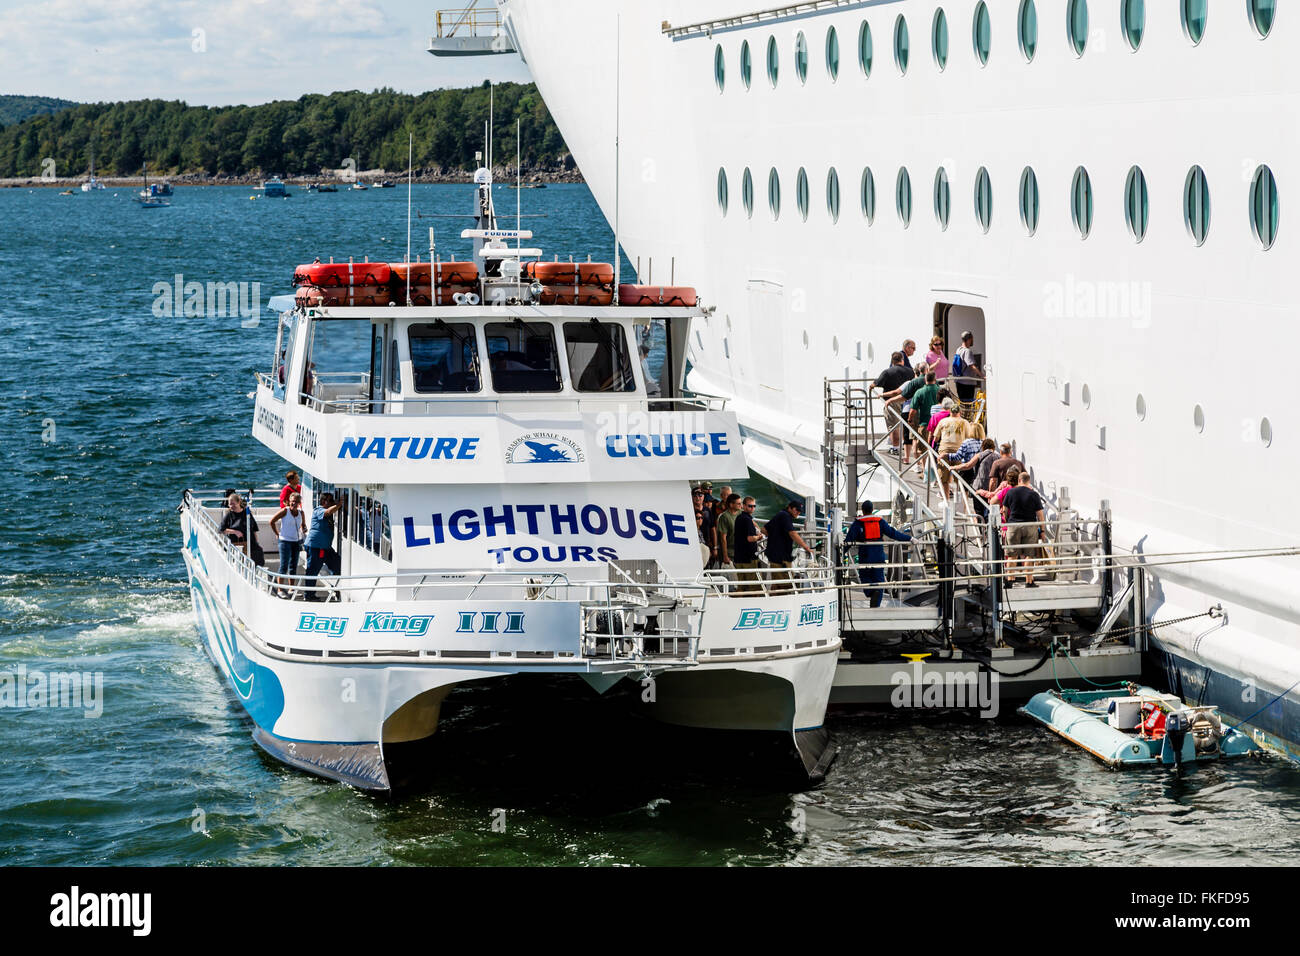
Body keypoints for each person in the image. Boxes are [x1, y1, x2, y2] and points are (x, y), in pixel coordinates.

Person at [844, 501, 913, 608]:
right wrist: (910, 538)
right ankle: (875, 605)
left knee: (865, 578)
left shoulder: (858, 523)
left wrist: (840, 553)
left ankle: (871, 591)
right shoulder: (880, 522)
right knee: (879, 581)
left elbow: (848, 541)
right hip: (878, 557)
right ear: (872, 509)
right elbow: (893, 533)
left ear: (862, 511)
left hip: (865, 557)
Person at [1002, 471, 1046, 587]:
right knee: (1029, 555)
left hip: (1013, 526)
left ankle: (1009, 580)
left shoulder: (1010, 492)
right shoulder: (1034, 494)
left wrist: (1007, 523)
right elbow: (1040, 515)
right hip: (1030, 526)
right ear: (1028, 481)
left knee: (1012, 555)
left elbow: (1004, 511)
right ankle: (1029, 581)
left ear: (1019, 480)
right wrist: (1042, 531)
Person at [883, 363, 929, 464]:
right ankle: (922, 463)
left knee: (909, 437)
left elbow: (899, 394)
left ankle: (908, 458)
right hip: (925, 412)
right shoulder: (930, 383)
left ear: (915, 371)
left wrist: (887, 398)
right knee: (922, 438)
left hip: (909, 411)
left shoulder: (910, 382)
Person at [303, 492, 344, 601]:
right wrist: (339, 505)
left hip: (325, 547)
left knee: (338, 564)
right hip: (316, 547)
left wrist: (337, 505)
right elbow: (327, 512)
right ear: (323, 501)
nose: (332, 502)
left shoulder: (328, 510)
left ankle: (335, 587)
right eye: (330, 500)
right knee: (312, 571)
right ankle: (309, 596)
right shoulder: (318, 510)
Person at [765, 500, 812, 593]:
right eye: (796, 510)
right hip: (779, 557)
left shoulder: (781, 515)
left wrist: (775, 537)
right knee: (785, 585)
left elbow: (764, 529)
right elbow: (793, 533)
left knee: (777, 583)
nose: (798, 512)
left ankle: (772, 601)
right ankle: (779, 604)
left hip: (776, 555)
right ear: (789, 508)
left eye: (799, 511)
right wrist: (806, 547)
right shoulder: (785, 516)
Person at [872, 352, 913, 453]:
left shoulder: (887, 372)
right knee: (904, 424)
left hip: (892, 401)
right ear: (902, 360)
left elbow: (876, 384)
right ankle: (905, 445)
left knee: (893, 425)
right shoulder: (910, 371)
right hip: (907, 401)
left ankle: (895, 448)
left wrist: (872, 385)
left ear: (892, 361)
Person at [270, 492, 306, 596]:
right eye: (292, 501)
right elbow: (272, 521)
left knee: (293, 566)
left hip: (296, 541)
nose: (293, 503)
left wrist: (304, 528)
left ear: (299, 503)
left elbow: (303, 525)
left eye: (296, 501)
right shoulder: (285, 511)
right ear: (289, 502)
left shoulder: (301, 513)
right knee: (284, 566)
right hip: (284, 541)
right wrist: (277, 533)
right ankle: (280, 590)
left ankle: (291, 589)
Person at [219, 492, 265, 566]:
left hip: (250, 542)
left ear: (238, 502)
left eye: (233, 504)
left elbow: (254, 529)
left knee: (258, 553)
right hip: (235, 544)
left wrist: (256, 543)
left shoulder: (247, 513)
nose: (231, 506)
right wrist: (235, 532)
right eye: (229, 504)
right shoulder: (229, 515)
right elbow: (221, 529)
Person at [908, 371, 942, 461]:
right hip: (939, 424)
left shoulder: (920, 392)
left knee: (923, 450)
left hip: (925, 424)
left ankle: (925, 472)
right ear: (935, 379)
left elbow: (913, 410)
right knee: (938, 450)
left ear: (925, 379)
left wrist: (910, 420)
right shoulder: (940, 390)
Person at [733, 497, 762, 593]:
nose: (752, 508)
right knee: (753, 587)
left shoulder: (739, 518)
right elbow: (750, 538)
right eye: (750, 506)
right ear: (743, 506)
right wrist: (759, 537)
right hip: (748, 558)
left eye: (754, 506)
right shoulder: (747, 520)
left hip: (739, 557)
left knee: (741, 586)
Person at [951, 330, 985, 403]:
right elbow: (971, 365)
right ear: (969, 339)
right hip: (967, 383)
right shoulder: (967, 351)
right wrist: (982, 376)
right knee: (968, 404)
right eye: (972, 339)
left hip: (959, 382)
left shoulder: (959, 349)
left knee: (963, 403)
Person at [692, 486, 718, 566]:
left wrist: (715, 547)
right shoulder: (689, 510)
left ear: (703, 496)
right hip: (693, 545)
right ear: (692, 497)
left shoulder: (707, 510)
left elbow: (713, 529)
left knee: (707, 567)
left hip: (707, 544)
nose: (698, 497)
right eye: (695, 495)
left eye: (700, 495)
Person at [716, 493, 741, 566]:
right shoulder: (724, 517)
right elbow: (723, 538)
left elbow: (751, 521)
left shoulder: (741, 513)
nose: (740, 505)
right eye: (738, 503)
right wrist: (725, 556)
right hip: (729, 553)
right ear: (731, 504)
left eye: (741, 503)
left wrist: (759, 530)